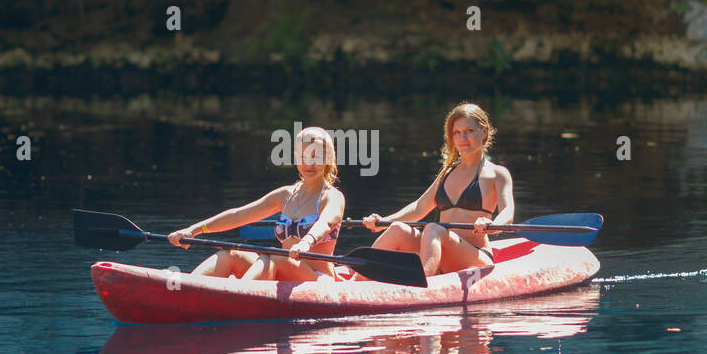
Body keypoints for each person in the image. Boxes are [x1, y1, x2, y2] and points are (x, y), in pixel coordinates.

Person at [168, 126, 345, 281]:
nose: (309, 163)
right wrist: (194, 230)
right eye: (304, 156)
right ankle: (187, 287)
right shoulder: (285, 195)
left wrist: (306, 242)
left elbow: (325, 223)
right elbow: (238, 216)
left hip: (317, 279)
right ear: (296, 156)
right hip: (281, 267)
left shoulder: (333, 197)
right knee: (231, 254)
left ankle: (236, 295)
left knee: (277, 256)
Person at [362, 102, 514, 276]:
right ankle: (356, 282)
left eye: (469, 131)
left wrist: (493, 225)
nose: (462, 138)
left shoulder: (498, 174)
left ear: (484, 131)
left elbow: (508, 212)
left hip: (475, 257)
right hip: (440, 253)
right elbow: (419, 208)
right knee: (398, 229)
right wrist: (384, 222)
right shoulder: (447, 172)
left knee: (433, 228)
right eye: (457, 133)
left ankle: (423, 282)